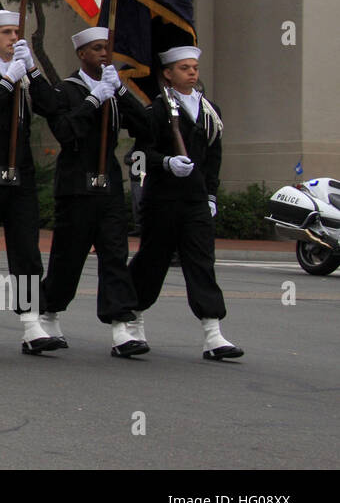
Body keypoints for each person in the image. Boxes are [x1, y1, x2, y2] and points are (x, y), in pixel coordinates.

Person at [39, 27, 150, 357]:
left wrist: (121, 91)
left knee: (115, 255)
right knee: (67, 258)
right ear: (82, 54)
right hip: (75, 185)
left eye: (107, 49)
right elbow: (66, 132)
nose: (104, 54)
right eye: (97, 49)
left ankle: (120, 328)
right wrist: (92, 100)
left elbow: (146, 126)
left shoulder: (113, 89)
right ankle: (47, 312)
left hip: (109, 186)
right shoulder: (66, 91)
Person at [129, 46, 242, 360]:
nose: (192, 72)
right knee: (153, 261)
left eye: (194, 67)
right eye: (184, 68)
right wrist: (166, 162)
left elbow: (213, 159)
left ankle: (212, 333)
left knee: (201, 262)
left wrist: (210, 195)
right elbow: (137, 157)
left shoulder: (209, 111)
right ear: (168, 73)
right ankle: (133, 317)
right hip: (162, 200)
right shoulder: (156, 111)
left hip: (194, 200)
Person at [0, 9, 60, 354]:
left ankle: (31, 321)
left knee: (27, 250)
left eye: (17, 32)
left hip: (21, 173)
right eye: (6, 32)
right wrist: (6, 82)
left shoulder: (26, 72)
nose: (13, 38)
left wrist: (31, 69)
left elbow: (53, 107)